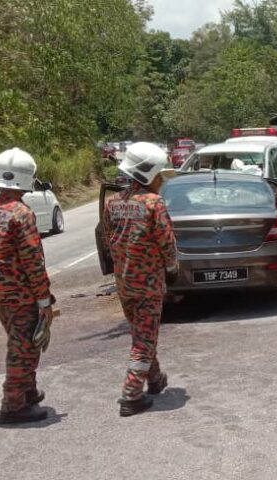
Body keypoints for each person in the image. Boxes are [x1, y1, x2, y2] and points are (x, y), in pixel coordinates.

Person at [0, 148, 55, 425]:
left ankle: (27, 391)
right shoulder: (21, 213)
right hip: (22, 294)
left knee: (21, 342)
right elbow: (33, 261)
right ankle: (13, 405)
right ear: (27, 179)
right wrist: (44, 300)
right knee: (23, 348)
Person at [104, 142, 178, 417]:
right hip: (148, 284)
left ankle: (155, 379)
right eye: (160, 175)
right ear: (150, 175)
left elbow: (107, 239)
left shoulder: (113, 203)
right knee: (144, 339)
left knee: (142, 332)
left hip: (124, 282)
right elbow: (166, 242)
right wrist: (172, 267)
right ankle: (131, 394)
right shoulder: (153, 203)